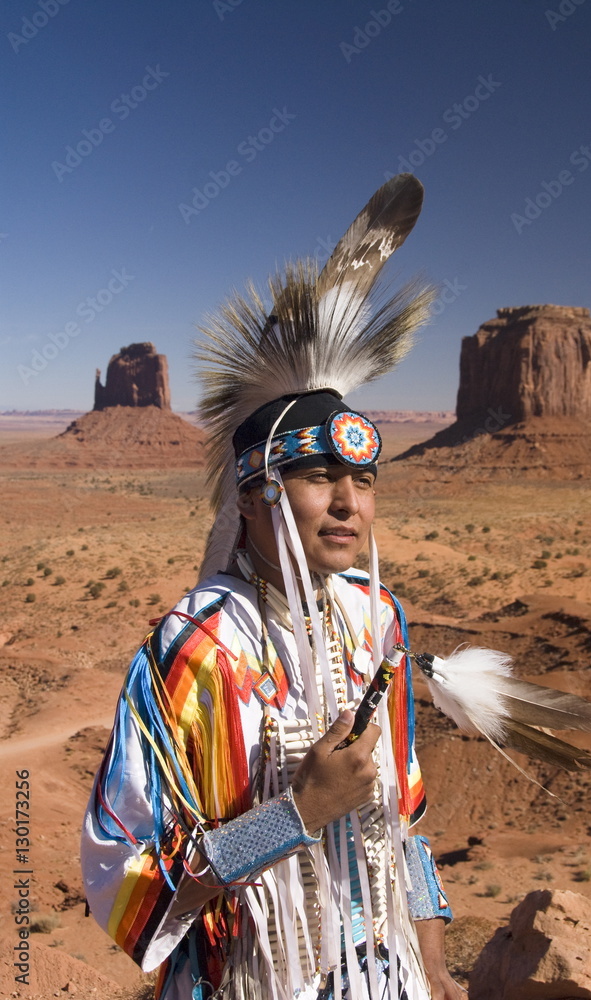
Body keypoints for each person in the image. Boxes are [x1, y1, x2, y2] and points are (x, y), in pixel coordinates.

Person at [81, 175, 467, 1000]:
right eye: (318, 477)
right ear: (254, 497)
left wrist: (433, 969)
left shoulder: (376, 621)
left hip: (387, 977)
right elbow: (126, 880)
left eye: (361, 480)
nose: (347, 503)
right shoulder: (194, 649)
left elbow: (402, 824)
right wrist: (291, 816)